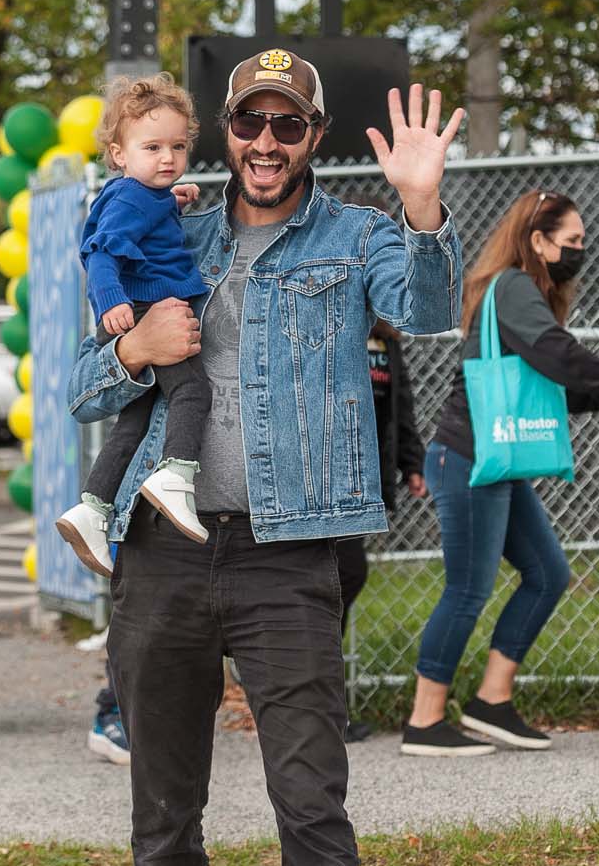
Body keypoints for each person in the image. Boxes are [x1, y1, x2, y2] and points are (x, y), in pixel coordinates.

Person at [69, 49, 465, 866]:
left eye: (288, 123)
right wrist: (134, 346)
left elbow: (425, 310)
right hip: (161, 553)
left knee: (312, 808)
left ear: (313, 135)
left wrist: (420, 206)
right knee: (163, 818)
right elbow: (81, 390)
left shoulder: (357, 236)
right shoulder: (163, 227)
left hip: (288, 557)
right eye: (250, 121)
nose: (267, 140)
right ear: (227, 132)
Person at [404, 189, 599, 757]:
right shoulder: (514, 287)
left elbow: (553, 387)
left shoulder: (522, 293)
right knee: (468, 589)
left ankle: (491, 702)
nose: (579, 251)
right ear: (538, 241)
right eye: (571, 242)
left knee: (548, 572)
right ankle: (424, 721)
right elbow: (555, 352)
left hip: (495, 459)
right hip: (470, 460)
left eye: (582, 242)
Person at [54, 73, 212, 575]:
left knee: (135, 421)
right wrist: (110, 301)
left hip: (137, 307)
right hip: (142, 311)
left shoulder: (143, 193)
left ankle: (93, 508)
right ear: (119, 154)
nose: (168, 158)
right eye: (153, 147)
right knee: (191, 393)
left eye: (178, 146)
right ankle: (176, 475)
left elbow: (141, 221)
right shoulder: (131, 198)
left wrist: (174, 200)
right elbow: (100, 249)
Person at [334, 194, 432, 744]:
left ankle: (321, 702)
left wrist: (411, 464)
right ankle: (314, 701)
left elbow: (401, 405)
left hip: (366, 476)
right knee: (344, 576)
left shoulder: (384, 335)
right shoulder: (327, 316)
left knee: (344, 579)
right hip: (329, 472)